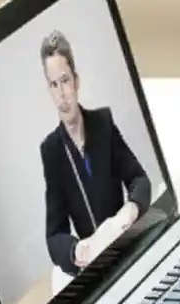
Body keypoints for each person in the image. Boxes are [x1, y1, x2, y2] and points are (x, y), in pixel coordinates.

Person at [39, 30, 151, 276]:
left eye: (65, 80)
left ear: (76, 81)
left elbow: (139, 180)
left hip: (126, 246)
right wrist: (75, 250)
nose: (61, 94)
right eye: (54, 85)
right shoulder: (51, 150)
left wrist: (129, 212)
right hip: (95, 266)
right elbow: (54, 235)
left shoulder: (102, 123)